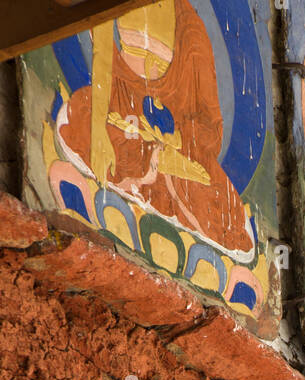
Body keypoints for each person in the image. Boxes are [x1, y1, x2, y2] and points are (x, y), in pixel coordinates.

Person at [54, 0, 253, 257]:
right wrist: (100, 132)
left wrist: (176, 142)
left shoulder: (189, 24)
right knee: (83, 115)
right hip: (122, 113)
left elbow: (206, 123)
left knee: (222, 204)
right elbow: (103, 62)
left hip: (176, 144)